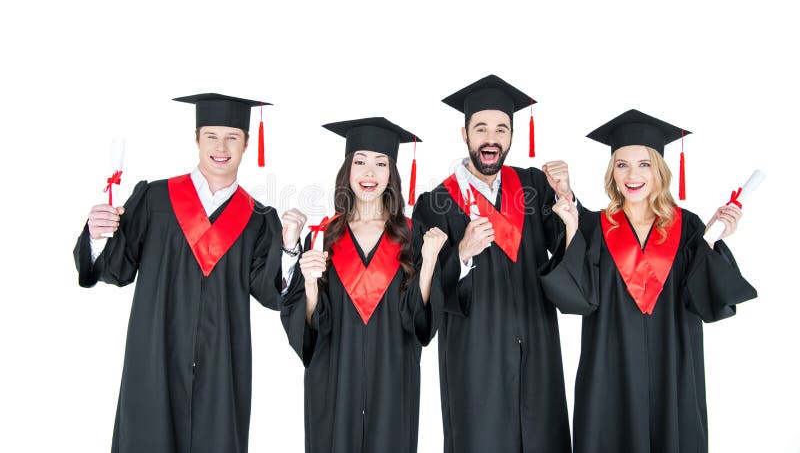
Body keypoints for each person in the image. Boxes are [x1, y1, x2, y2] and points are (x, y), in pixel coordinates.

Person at [73, 93, 305, 453]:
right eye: (211, 136)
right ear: (197, 139)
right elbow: (117, 270)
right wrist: (96, 234)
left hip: (222, 364)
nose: (221, 147)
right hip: (154, 356)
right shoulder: (155, 199)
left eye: (232, 137)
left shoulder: (258, 218)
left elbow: (272, 292)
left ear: (247, 143)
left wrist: (290, 246)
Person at [542, 109, 758, 453]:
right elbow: (576, 299)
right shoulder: (594, 226)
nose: (632, 174)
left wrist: (712, 240)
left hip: (672, 366)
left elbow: (706, 302)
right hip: (608, 369)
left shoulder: (688, 227)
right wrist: (570, 226)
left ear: (659, 171)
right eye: (622, 164)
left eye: (644, 164)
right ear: (612, 171)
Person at [412, 75, 573, 453]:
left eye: (501, 128)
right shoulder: (435, 203)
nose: (491, 137)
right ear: (464, 133)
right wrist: (462, 253)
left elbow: (571, 254)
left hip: (538, 350)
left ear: (513, 134)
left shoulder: (535, 187)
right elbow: (424, 292)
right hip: (475, 360)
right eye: (480, 128)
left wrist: (568, 202)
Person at [281, 117, 446, 453]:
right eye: (360, 162)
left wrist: (428, 263)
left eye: (380, 164)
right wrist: (310, 287)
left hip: (392, 380)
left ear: (392, 174)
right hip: (333, 383)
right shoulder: (322, 235)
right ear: (347, 171)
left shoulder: (412, 236)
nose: (369, 174)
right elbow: (309, 327)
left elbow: (418, 323)